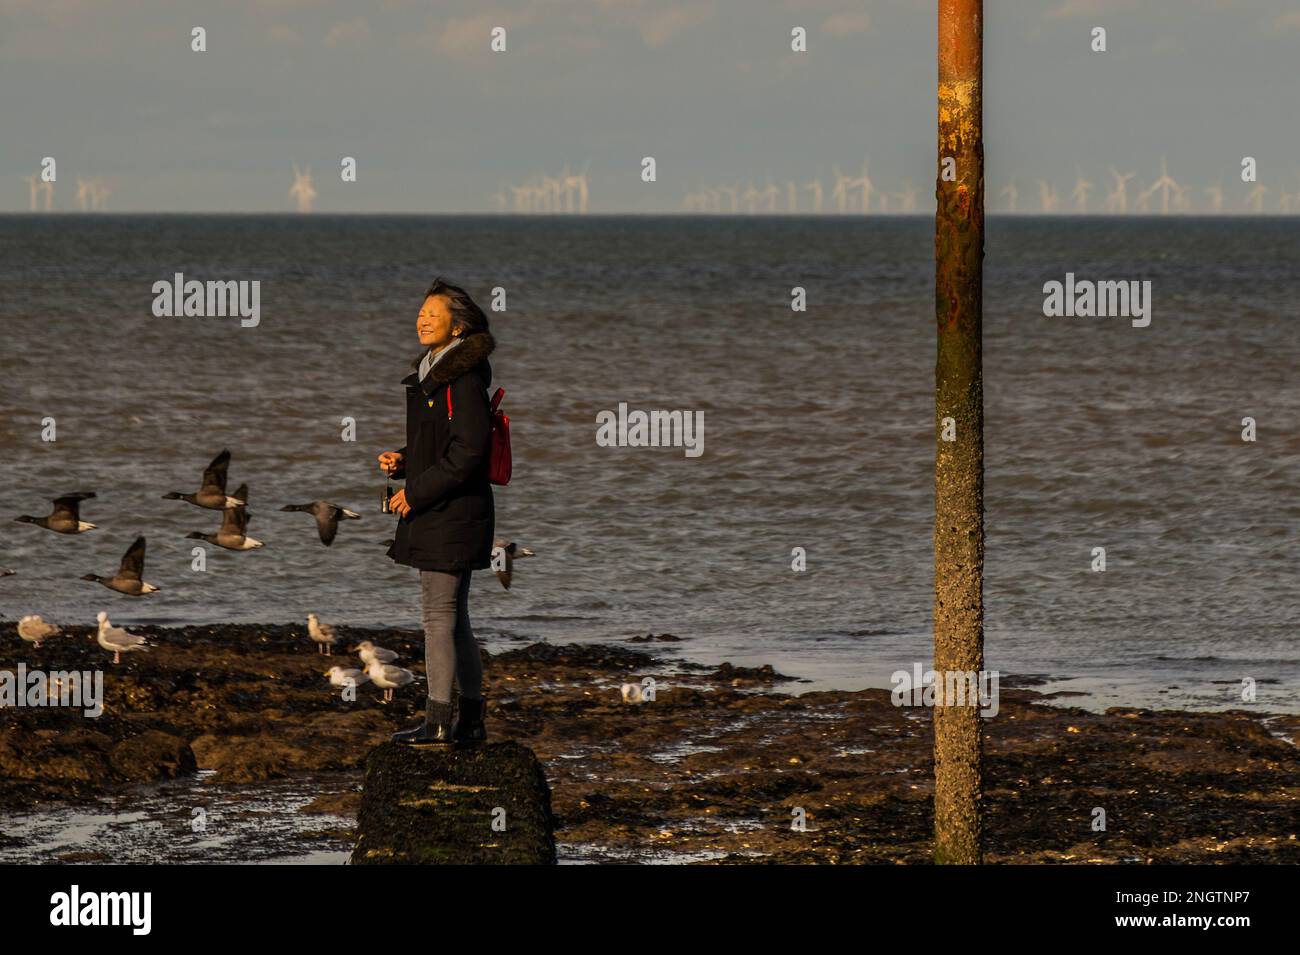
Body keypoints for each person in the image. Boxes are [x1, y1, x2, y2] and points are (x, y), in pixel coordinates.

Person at [379, 278, 495, 746]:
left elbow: (469, 452)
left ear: (459, 327)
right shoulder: (435, 375)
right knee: (453, 617)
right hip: (450, 509)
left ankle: (440, 721)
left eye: (434, 313)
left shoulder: (460, 379)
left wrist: (415, 492)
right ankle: (469, 719)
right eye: (421, 312)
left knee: (437, 618)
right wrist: (405, 460)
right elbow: (445, 444)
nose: (422, 319)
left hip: (450, 512)